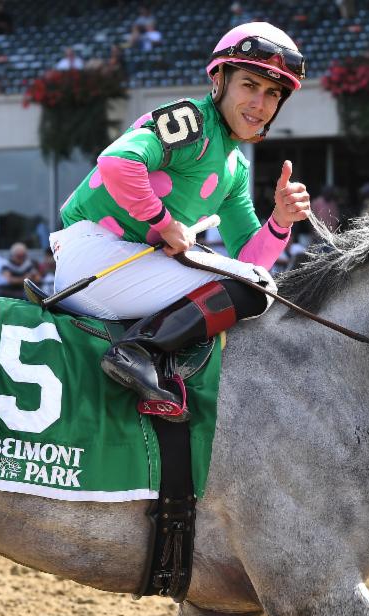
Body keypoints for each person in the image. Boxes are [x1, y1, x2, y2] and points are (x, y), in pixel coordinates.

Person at [50, 22, 310, 421]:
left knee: (254, 282)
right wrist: (165, 222)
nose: (259, 103)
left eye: (272, 93)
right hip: (96, 259)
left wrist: (280, 221)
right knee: (257, 285)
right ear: (219, 80)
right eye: (249, 85)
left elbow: (248, 261)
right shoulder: (192, 121)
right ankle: (138, 351)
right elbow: (117, 162)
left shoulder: (235, 168)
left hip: (127, 267)